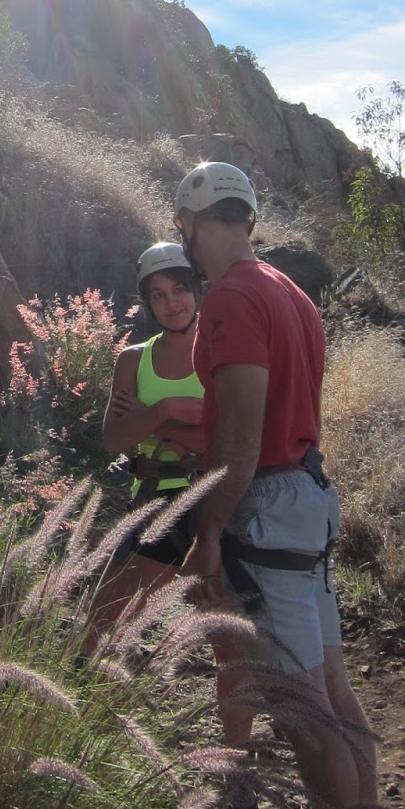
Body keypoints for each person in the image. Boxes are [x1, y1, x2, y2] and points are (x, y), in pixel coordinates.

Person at [172, 161, 380, 809]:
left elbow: (240, 436)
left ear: (192, 223)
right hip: (309, 497)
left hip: (266, 508)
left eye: (186, 233)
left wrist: (205, 539)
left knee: (302, 709)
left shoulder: (230, 298)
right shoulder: (291, 292)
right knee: (332, 686)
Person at [88, 244, 254, 751]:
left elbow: (227, 441)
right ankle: (94, 739)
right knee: (100, 623)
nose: (172, 302)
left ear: (197, 289)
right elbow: (113, 439)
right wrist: (172, 413)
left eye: (180, 288)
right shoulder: (133, 360)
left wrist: (154, 418)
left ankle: (237, 770)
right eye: (158, 295)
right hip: (152, 503)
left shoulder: (223, 355)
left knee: (227, 639)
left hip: (214, 503)